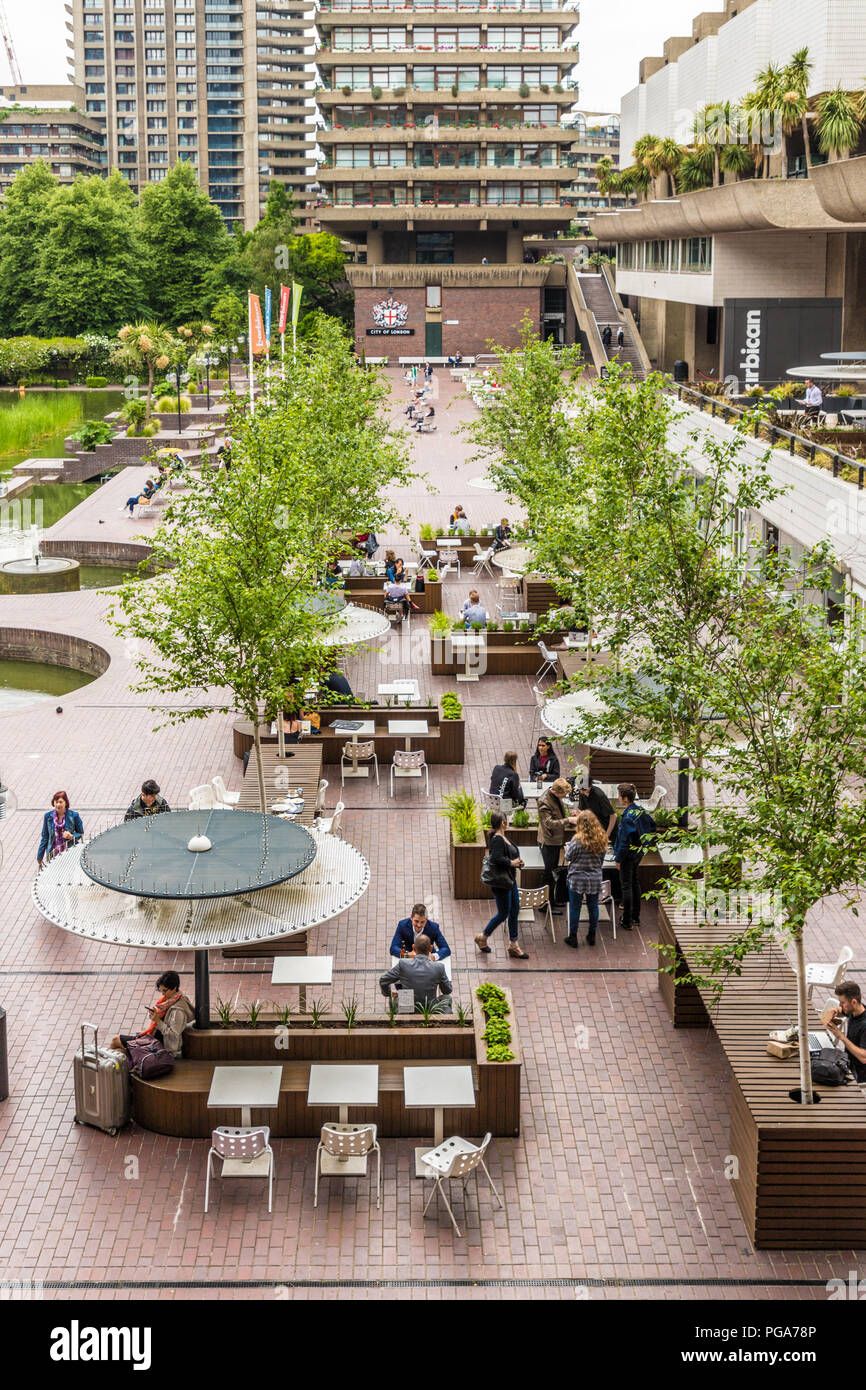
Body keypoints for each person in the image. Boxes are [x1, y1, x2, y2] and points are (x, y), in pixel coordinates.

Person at [475, 812, 529, 959]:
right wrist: (512, 863)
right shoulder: (497, 839)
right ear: (503, 823)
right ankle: (483, 936)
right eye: (507, 820)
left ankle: (513, 944)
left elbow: (506, 855)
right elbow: (496, 858)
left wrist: (517, 862)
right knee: (504, 913)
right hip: (502, 883)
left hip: (510, 879)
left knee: (515, 910)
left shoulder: (502, 837)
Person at [110, 970, 194, 1059]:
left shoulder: (178, 1011)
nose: (163, 994)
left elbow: (173, 1035)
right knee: (119, 1051)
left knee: (115, 1041)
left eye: (165, 991)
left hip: (159, 1046)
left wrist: (157, 1021)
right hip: (153, 1037)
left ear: (174, 988)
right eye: (161, 991)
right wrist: (155, 1017)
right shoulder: (170, 1001)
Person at [611, 782, 656, 931]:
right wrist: (644, 846)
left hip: (628, 856)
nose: (617, 798)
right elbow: (652, 826)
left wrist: (618, 859)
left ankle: (627, 920)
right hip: (638, 854)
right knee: (635, 883)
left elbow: (624, 841)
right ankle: (636, 917)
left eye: (619, 796)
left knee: (626, 886)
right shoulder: (640, 811)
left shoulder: (627, 817)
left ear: (625, 799)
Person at [564, 810, 608, 947]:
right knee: (593, 907)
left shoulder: (577, 840)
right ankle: (592, 935)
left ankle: (573, 937)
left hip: (577, 878)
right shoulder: (601, 839)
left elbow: (568, 857)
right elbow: (601, 861)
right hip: (594, 879)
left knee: (575, 908)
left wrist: (567, 850)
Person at [536, 777, 577, 914]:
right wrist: (568, 820)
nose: (565, 796)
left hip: (554, 840)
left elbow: (558, 813)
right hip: (548, 841)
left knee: (553, 870)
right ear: (557, 792)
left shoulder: (554, 797)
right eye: (564, 794)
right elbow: (549, 823)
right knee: (549, 872)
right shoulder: (544, 801)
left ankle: (552, 900)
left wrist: (569, 816)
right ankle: (543, 904)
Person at [380, 935, 452, 1010]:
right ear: (430, 948)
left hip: (407, 1008)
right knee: (447, 997)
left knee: (393, 998)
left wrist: (388, 993)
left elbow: (383, 980)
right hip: (430, 1008)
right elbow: (447, 990)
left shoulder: (403, 964)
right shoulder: (439, 967)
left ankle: (394, 1018)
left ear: (414, 947)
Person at [821, 981, 866, 1082]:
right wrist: (836, 1011)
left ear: (854, 1002)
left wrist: (840, 1036)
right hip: (846, 1060)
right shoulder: (855, 1009)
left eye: (842, 1002)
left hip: (857, 1072)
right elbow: (843, 1011)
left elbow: (864, 1057)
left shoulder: (864, 1025)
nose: (840, 1005)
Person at [37, 790, 84, 867]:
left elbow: (81, 833)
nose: (58, 804)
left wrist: (72, 836)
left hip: (69, 852)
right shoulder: (48, 816)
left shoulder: (74, 816)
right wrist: (40, 856)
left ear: (66, 803)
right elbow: (45, 837)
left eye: (60, 802)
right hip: (53, 854)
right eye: (56, 802)